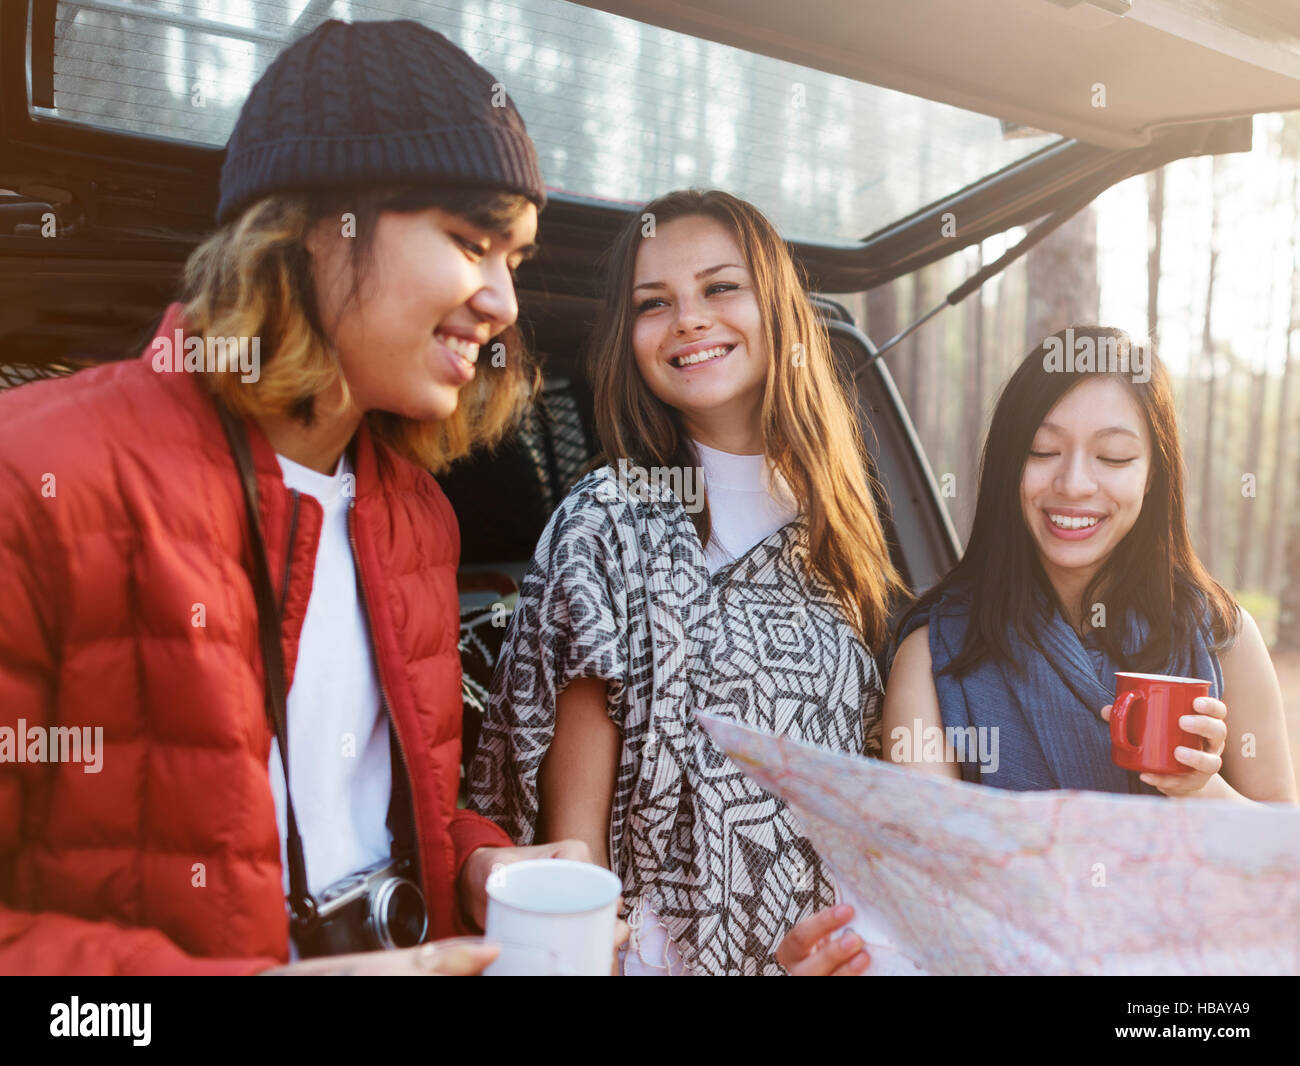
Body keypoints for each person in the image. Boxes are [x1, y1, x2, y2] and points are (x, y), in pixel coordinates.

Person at [0, 18, 593, 975]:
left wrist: (477, 866)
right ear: (314, 228)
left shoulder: (415, 517)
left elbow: (378, 807)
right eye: (471, 239)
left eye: (514, 261)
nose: (505, 303)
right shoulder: (36, 477)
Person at [467, 188, 904, 975]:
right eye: (653, 303)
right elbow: (577, 868)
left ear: (778, 307)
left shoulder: (841, 538)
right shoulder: (605, 526)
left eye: (720, 287)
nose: (690, 319)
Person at [778, 326, 1298, 974]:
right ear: (1006, 466)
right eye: (1043, 450)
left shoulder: (1220, 635)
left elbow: (1284, 879)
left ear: (1155, 472)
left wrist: (1200, 790)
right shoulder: (936, 652)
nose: (1075, 484)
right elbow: (928, 895)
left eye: (1113, 458)